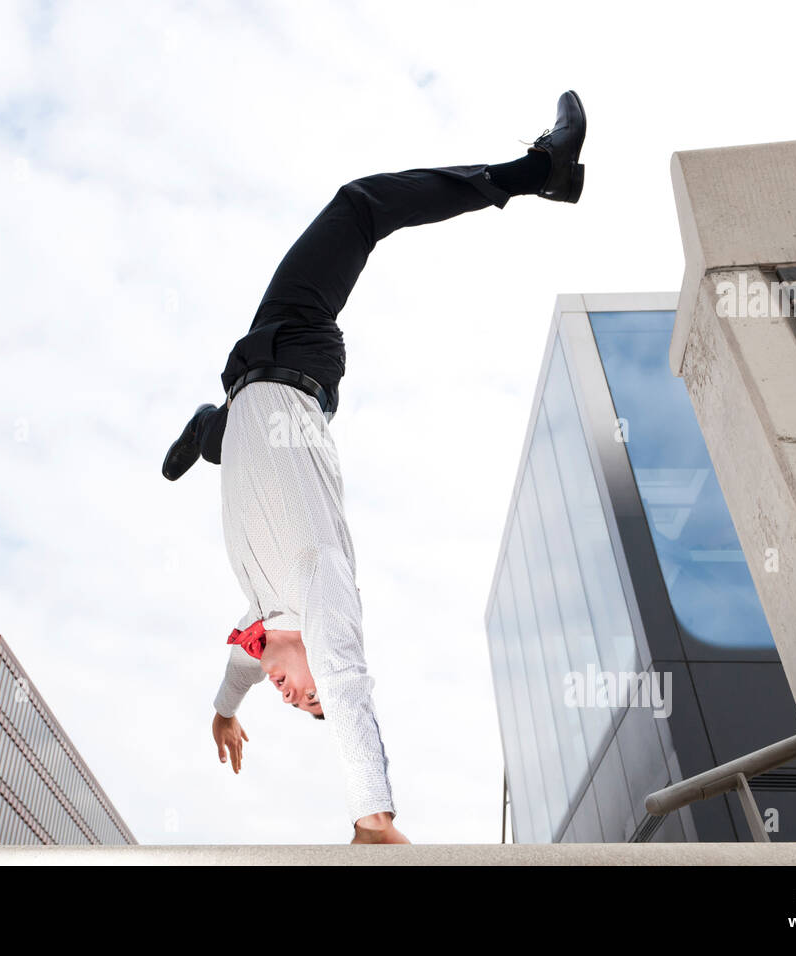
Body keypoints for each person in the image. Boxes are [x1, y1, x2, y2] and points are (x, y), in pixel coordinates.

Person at [162, 91, 587, 844]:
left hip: (251, 396)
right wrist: (373, 814)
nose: (303, 701)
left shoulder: (259, 626)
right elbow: (349, 689)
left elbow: (242, 670)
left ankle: (212, 432)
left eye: (296, 706)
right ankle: (537, 172)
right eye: (309, 700)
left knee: (232, 439)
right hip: (293, 354)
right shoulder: (321, 595)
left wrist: (226, 712)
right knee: (361, 208)